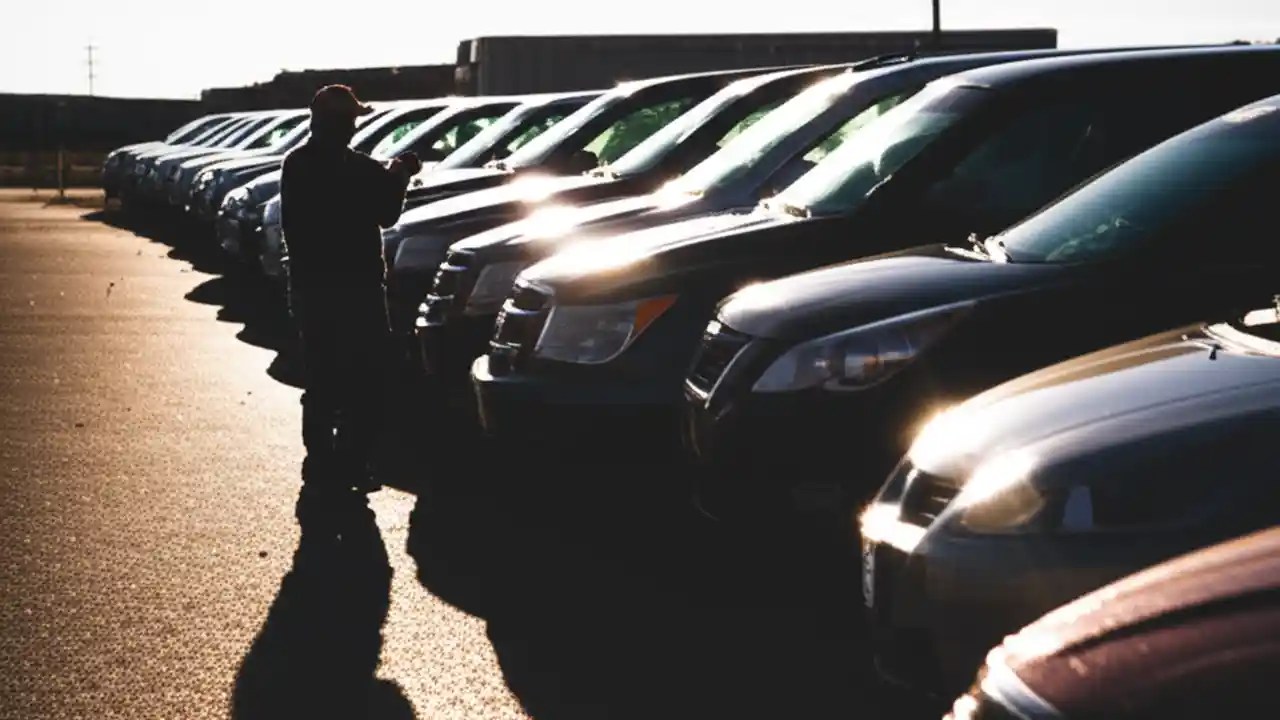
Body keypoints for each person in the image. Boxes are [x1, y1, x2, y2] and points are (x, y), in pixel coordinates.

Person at [280, 85, 421, 517]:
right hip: (357, 290)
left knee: (322, 378)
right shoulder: (358, 169)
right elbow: (388, 213)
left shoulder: (297, 164)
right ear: (344, 124)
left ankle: (322, 463)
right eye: (351, 120)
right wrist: (399, 175)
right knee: (362, 381)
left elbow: (295, 229)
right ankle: (352, 462)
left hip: (313, 289)